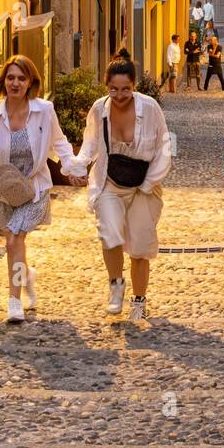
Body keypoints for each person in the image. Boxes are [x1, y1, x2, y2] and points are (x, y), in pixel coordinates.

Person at [0, 54, 85, 324]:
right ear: (3, 81)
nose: (15, 83)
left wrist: (72, 169)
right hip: (5, 190)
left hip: (35, 189)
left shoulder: (44, 111)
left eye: (21, 78)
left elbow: (61, 143)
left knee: (13, 240)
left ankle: (14, 300)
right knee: (14, 243)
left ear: (30, 82)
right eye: (11, 77)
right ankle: (26, 276)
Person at [72, 57, 172, 320]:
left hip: (144, 186)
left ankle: (139, 300)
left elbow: (165, 147)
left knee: (140, 248)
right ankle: (115, 285)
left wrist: (149, 183)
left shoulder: (150, 109)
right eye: (113, 89)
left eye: (125, 89)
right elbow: (90, 143)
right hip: (110, 182)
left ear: (134, 85)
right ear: (106, 86)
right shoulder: (99, 109)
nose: (119, 95)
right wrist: (78, 165)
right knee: (109, 234)